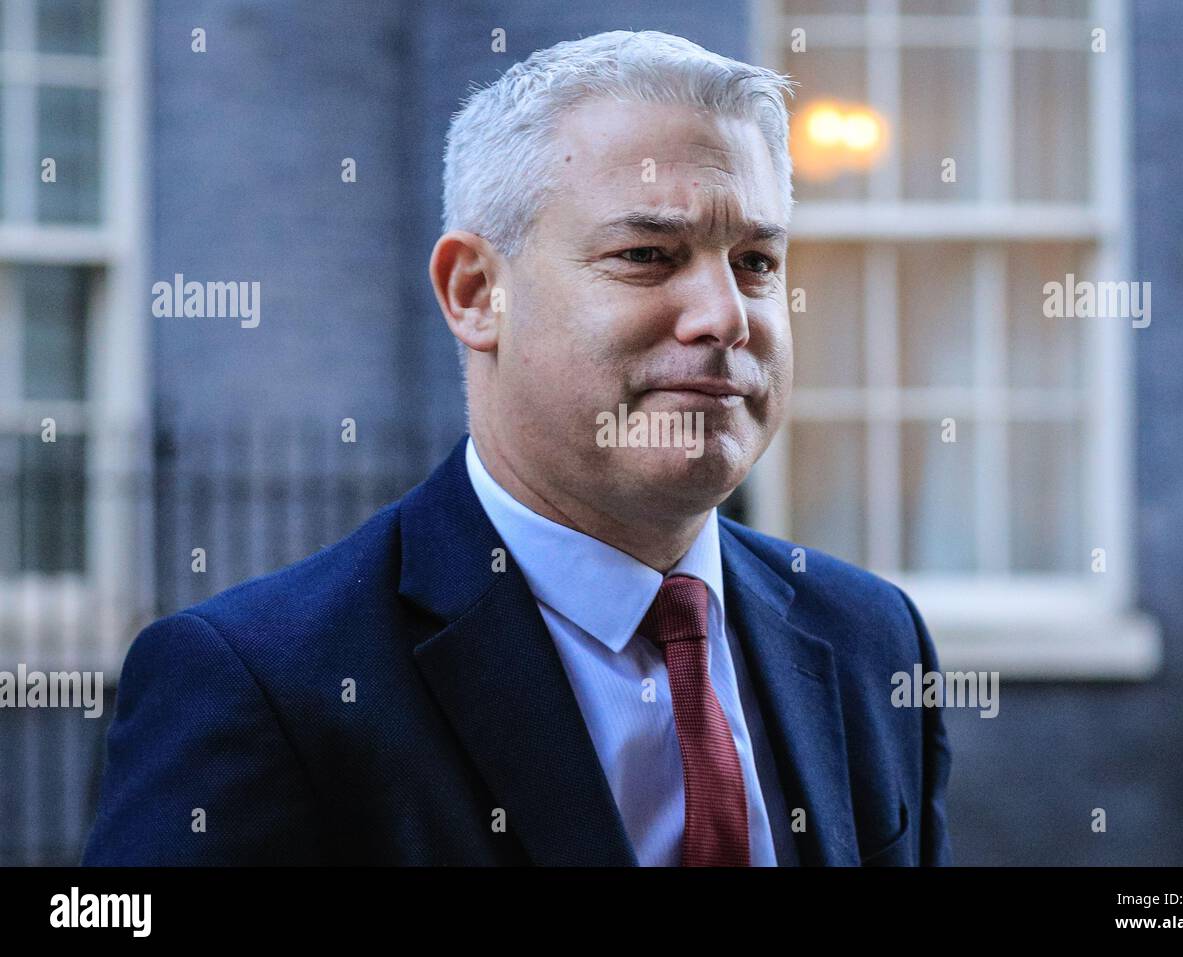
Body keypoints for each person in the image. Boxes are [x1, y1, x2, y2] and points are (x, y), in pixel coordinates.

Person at [82, 29, 953, 866]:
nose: (725, 315)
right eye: (649, 253)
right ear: (474, 293)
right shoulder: (260, 685)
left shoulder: (873, 641)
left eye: (757, 262)